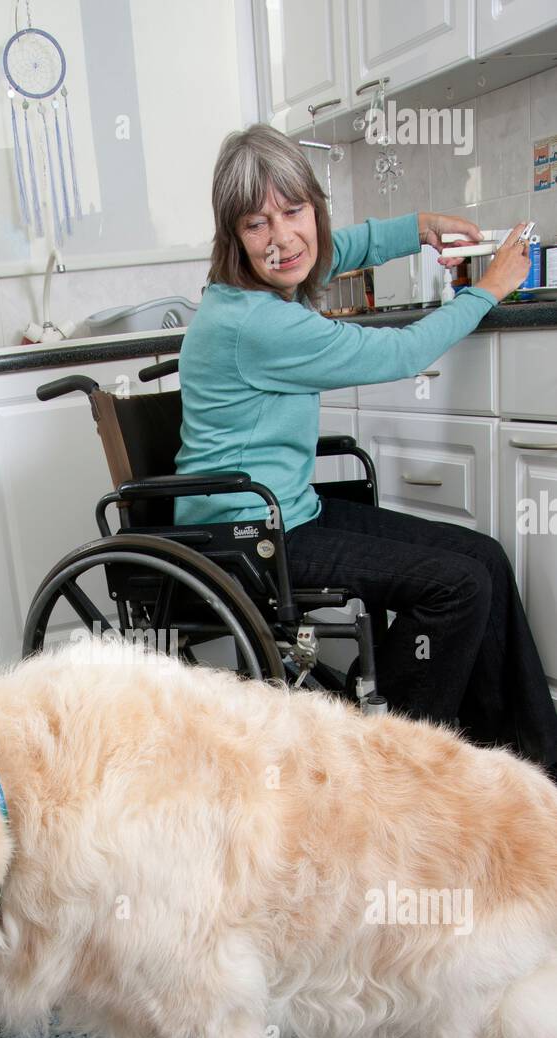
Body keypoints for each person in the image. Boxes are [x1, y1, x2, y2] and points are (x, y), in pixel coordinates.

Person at [174, 123, 557, 775]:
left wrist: (418, 227)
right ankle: (388, 766)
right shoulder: (259, 323)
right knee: (457, 587)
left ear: (313, 210)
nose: (282, 237)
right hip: (245, 534)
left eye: (294, 211)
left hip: (284, 511)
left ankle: (527, 765)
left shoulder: (258, 290)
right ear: (233, 238)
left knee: (484, 558)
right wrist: (487, 289)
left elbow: (329, 250)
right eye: (257, 224)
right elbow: (402, 353)